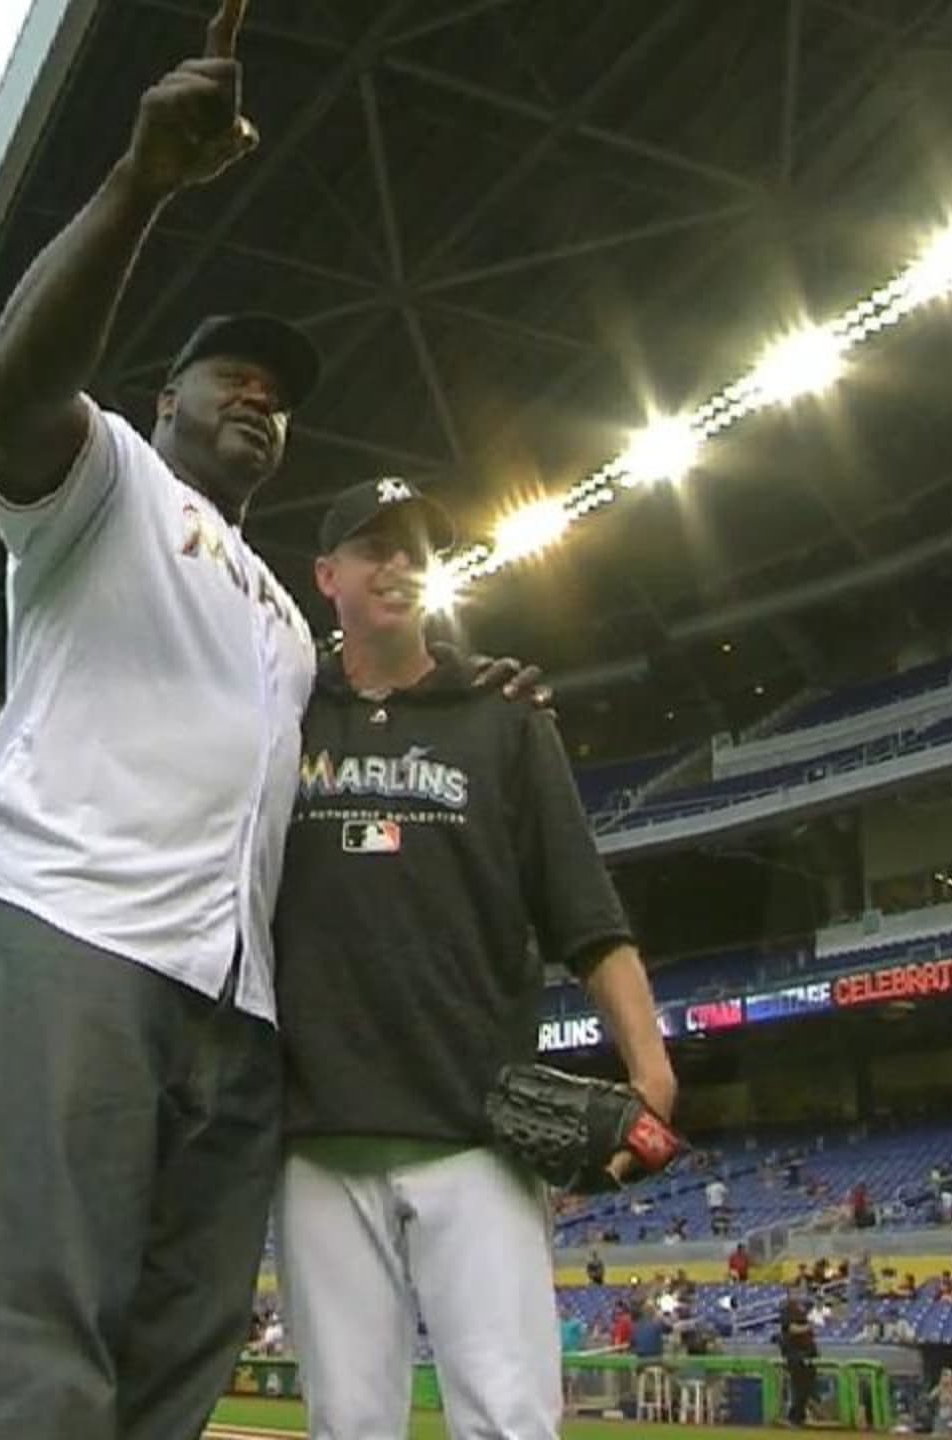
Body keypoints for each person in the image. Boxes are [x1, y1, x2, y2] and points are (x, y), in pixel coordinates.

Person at [0, 8, 541, 1437]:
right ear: (161, 398)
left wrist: (470, 691)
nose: (261, 395)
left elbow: (361, 725)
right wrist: (141, 185)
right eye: (229, 376)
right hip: (78, 922)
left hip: (235, 1000)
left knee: (183, 1338)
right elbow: (9, 395)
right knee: (44, 1313)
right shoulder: (107, 486)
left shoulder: (279, 614)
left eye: (283, 396)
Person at [269, 478, 676, 1440]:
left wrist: (650, 1064)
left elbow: (587, 914)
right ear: (327, 577)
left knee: (508, 1421)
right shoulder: (279, 716)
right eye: (374, 548)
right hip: (321, 1142)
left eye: (416, 549)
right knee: (349, 1423)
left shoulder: (506, 719)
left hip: (477, 1136)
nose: (399, 566)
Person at [779, 1297, 820, 1426]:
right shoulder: (788, 1311)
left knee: (806, 1388)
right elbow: (792, 1329)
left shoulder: (803, 1311)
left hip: (808, 1356)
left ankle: (801, 1416)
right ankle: (795, 1417)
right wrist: (809, 1326)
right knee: (799, 1388)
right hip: (795, 1357)